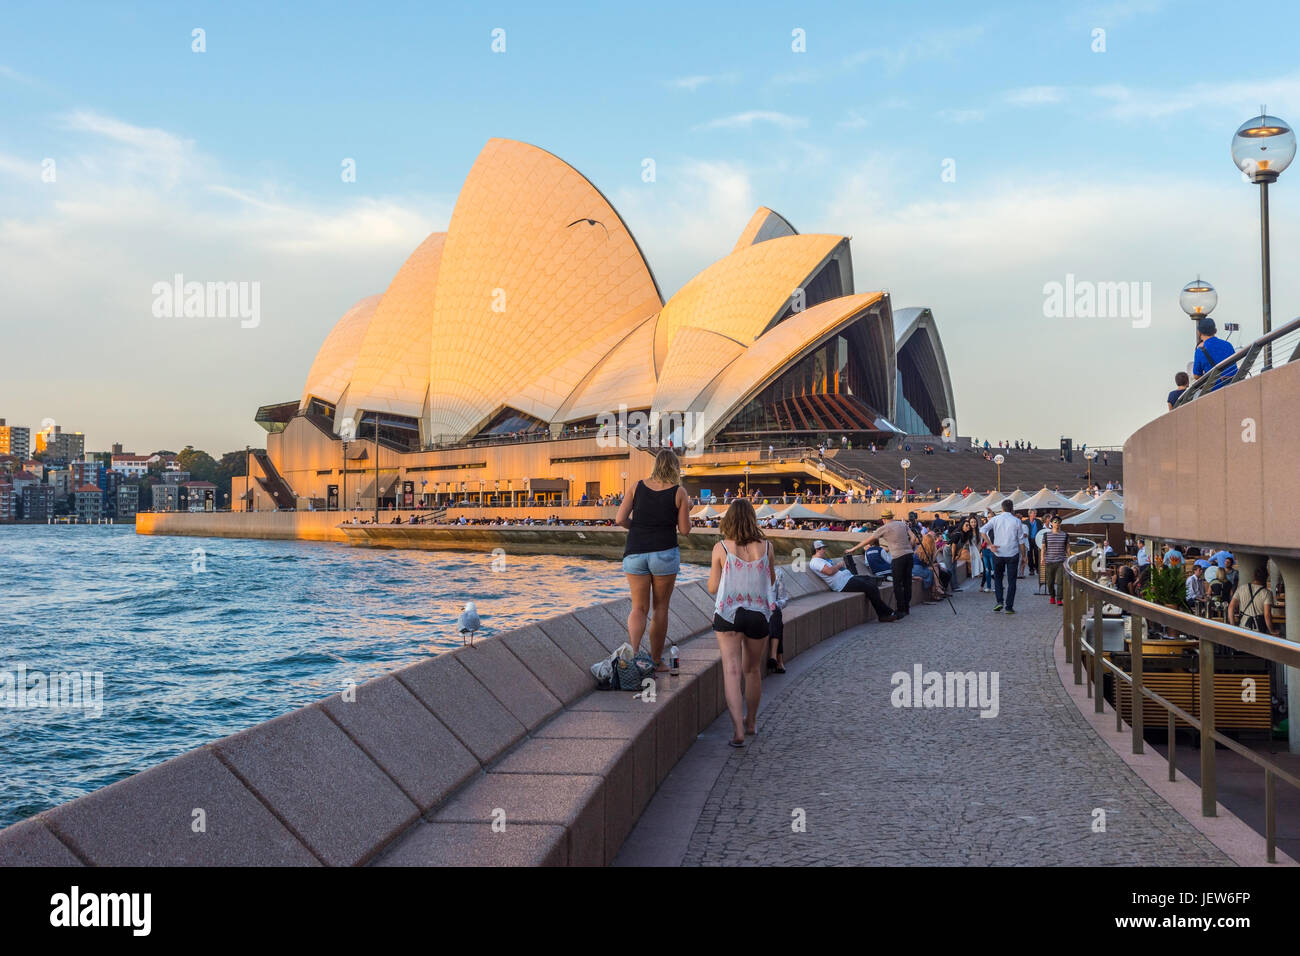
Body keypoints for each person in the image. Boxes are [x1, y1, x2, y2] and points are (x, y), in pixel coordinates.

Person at [707, 499, 776, 747]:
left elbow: (713, 587)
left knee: (732, 672)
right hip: (758, 613)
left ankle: (737, 730)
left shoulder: (721, 548)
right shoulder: (767, 546)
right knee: (752, 670)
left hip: (729, 614)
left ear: (729, 520)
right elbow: (771, 580)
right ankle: (751, 723)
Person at [616, 450, 692, 672]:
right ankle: (656, 661)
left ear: (656, 466)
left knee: (638, 608)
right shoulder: (679, 492)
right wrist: (688, 510)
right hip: (664, 553)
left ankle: (633, 656)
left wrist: (638, 528)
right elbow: (685, 530)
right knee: (660, 608)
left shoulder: (636, 486)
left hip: (635, 552)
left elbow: (620, 519)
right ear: (675, 468)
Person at [808, 540, 900, 622]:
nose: (825, 550)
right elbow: (829, 571)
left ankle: (884, 613)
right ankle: (886, 614)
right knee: (870, 587)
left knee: (871, 581)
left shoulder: (821, 560)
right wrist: (839, 565)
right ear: (817, 550)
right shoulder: (816, 562)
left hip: (848, 578)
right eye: (823, 548)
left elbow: (831, 569)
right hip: (843, 584)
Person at [856, 508, 920, 616]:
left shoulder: (884, 528)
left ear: (883, 519)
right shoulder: (902, 524)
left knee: (897, 584)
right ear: (892, 517)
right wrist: (910, 546)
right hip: (909, 555)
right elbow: (913, 537)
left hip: (898, 557)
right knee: (907, 582)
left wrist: (853, 549)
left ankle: (901, 609)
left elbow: (868, 540)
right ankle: (907, 607)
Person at [980, 499, 1027, 613]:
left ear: (1002, 508)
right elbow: (1021, 541)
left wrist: (990, 545)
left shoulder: (995, 519)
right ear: (1012, 508)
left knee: (998, 578)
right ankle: (1009, 607)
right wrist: (1024, 556)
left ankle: (999, 601)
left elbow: (982, 530)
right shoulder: (1017, 521)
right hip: (1012, 553)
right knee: (1012, 581)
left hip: (998, 553)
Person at [1192, 317, 1238, 392]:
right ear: (1215, 331)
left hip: (1215, 389)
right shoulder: (1228, 345)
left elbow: (1196, 375)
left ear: (1199, 332)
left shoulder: (1200, 351)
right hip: (1233, 385)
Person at [1229, 566, 1279, 635]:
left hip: (1243, 626)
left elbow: (1231, 607)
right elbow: (1267, 614)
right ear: (1266, 577)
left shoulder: (1241, 588)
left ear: (1254, 575)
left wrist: (1233, 626)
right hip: (1259, 628)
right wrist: (1271, 630)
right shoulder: (1267, 593)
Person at [1042, 516, 1070, 605]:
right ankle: (1052, 596)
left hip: (1061, 561)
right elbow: (1043, 548)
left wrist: (1069, 558)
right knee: (1050, 582)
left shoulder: (1065, 535)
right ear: (1051, 523)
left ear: (1060, 523)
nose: (1056, 524)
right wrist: (1042, 558)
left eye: (1058, 522)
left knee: (1060, 581)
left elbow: (1068, 548)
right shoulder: (1046, 535)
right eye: (1055, 522)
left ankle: (1059, 598)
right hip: (1049, 561)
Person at [1025, 509, 1043, 575]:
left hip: (1036, 540)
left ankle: (1037, 569)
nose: (1035, 514)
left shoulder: (1038, 521)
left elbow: (1041, 531)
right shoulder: (1025, 522)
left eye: (1036, 513)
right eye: (1034, 513)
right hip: (1028, 539)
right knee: (1029, 555)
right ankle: (1031, 569)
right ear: (1029, 514)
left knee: (1037, 554)